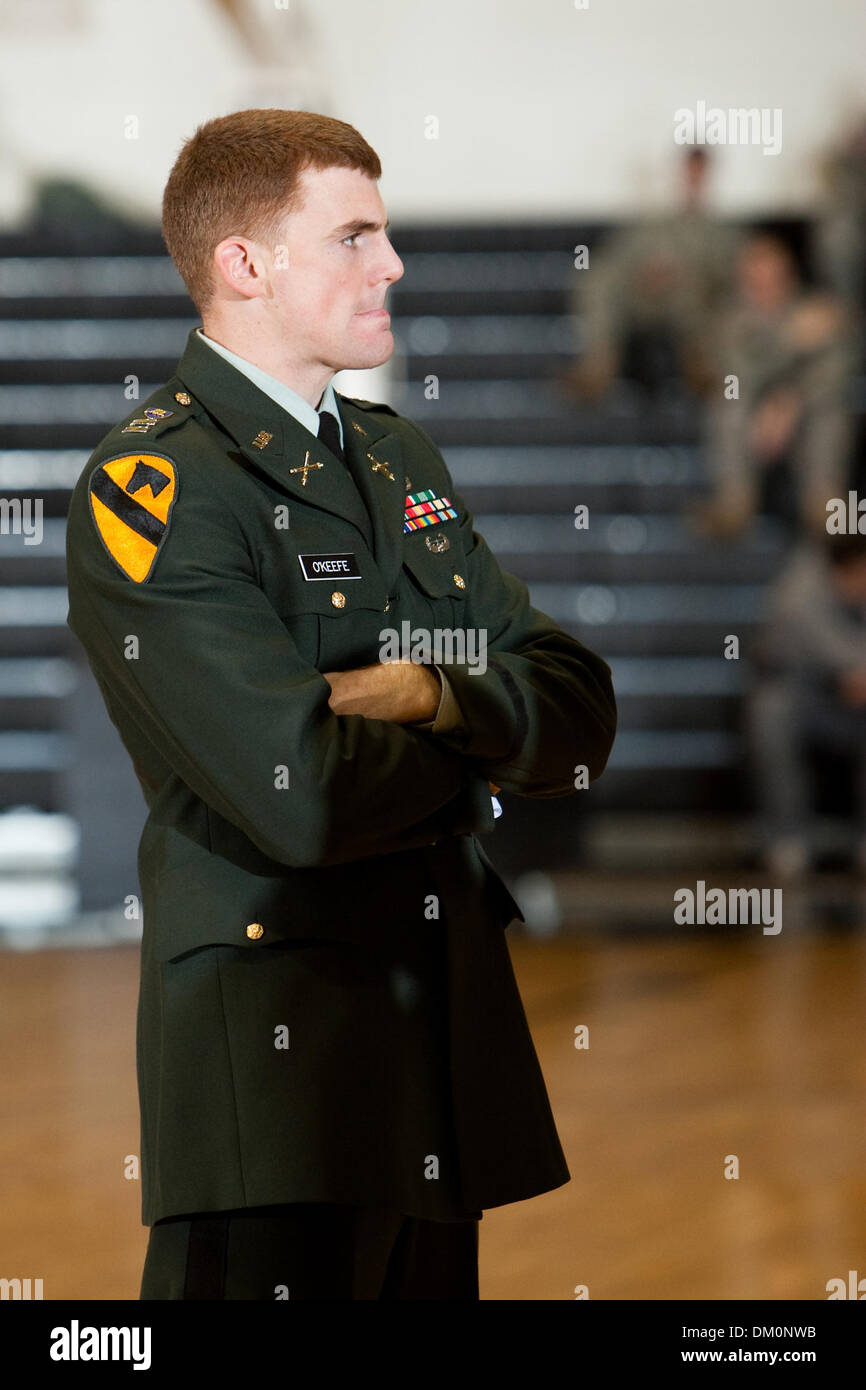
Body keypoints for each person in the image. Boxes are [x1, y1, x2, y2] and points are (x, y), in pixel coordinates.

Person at [64, 109, 617, 1300]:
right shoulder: (154, 484)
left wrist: (423, 693)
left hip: (434, 1030)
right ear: (244, 265)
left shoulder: (393, 456)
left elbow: (577, 705)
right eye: (354, 237)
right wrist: (479, 736)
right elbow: (300, 791)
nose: (393, 265)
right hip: (278, 1065)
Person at [697, 233, 855, 537]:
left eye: (774, 278)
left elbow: (836, 369)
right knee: (728, 405)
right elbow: (734, 373)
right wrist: (788, 341)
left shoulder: (816, 310)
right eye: (756, 281)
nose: (766, 289)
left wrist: (791, 401)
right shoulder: (729, 319)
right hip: (751, 415)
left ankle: (823, 500)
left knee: (832, 411)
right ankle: (735, 498)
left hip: (804, 410)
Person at [563, 146, 742, 403]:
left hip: (692, 311)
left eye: (698, 174)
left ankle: (701, 365)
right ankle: (600, 362)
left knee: (698, 291)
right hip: (643, 299)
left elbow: (730, 279)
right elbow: (618, 260)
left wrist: (684, 276)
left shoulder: (722, 233)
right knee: (597, 276)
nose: (692, 181)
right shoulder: (651, 223)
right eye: (688, 173)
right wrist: (646, 274)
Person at [747, 532, 866, 879]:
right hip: (807, 694)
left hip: (856, 704)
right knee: (770, 711)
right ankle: (787, 841)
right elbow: (793, 640)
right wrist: (851, 670)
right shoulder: (798, 587)